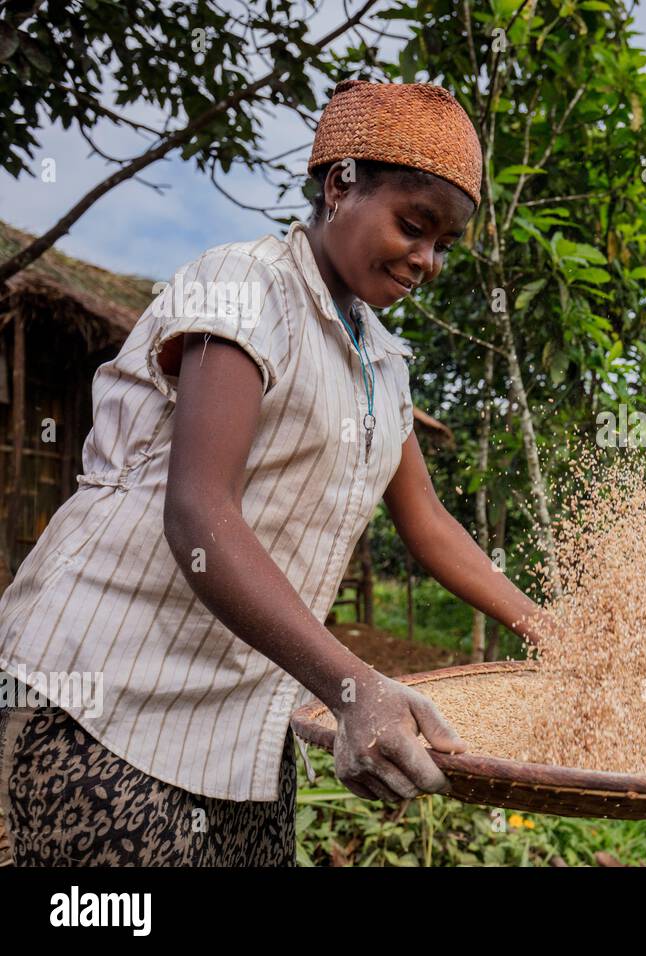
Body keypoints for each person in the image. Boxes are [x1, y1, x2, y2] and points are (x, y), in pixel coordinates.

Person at [0, 79, 544, 866]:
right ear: (339, 185)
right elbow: (198, 514)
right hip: (105, 691)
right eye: (414, 226)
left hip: (237, 718)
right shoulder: (244, 286)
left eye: (444, 245)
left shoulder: (382, 365)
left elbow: (427, 524)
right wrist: (354, 687)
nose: (426, 260)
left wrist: (555, 634)